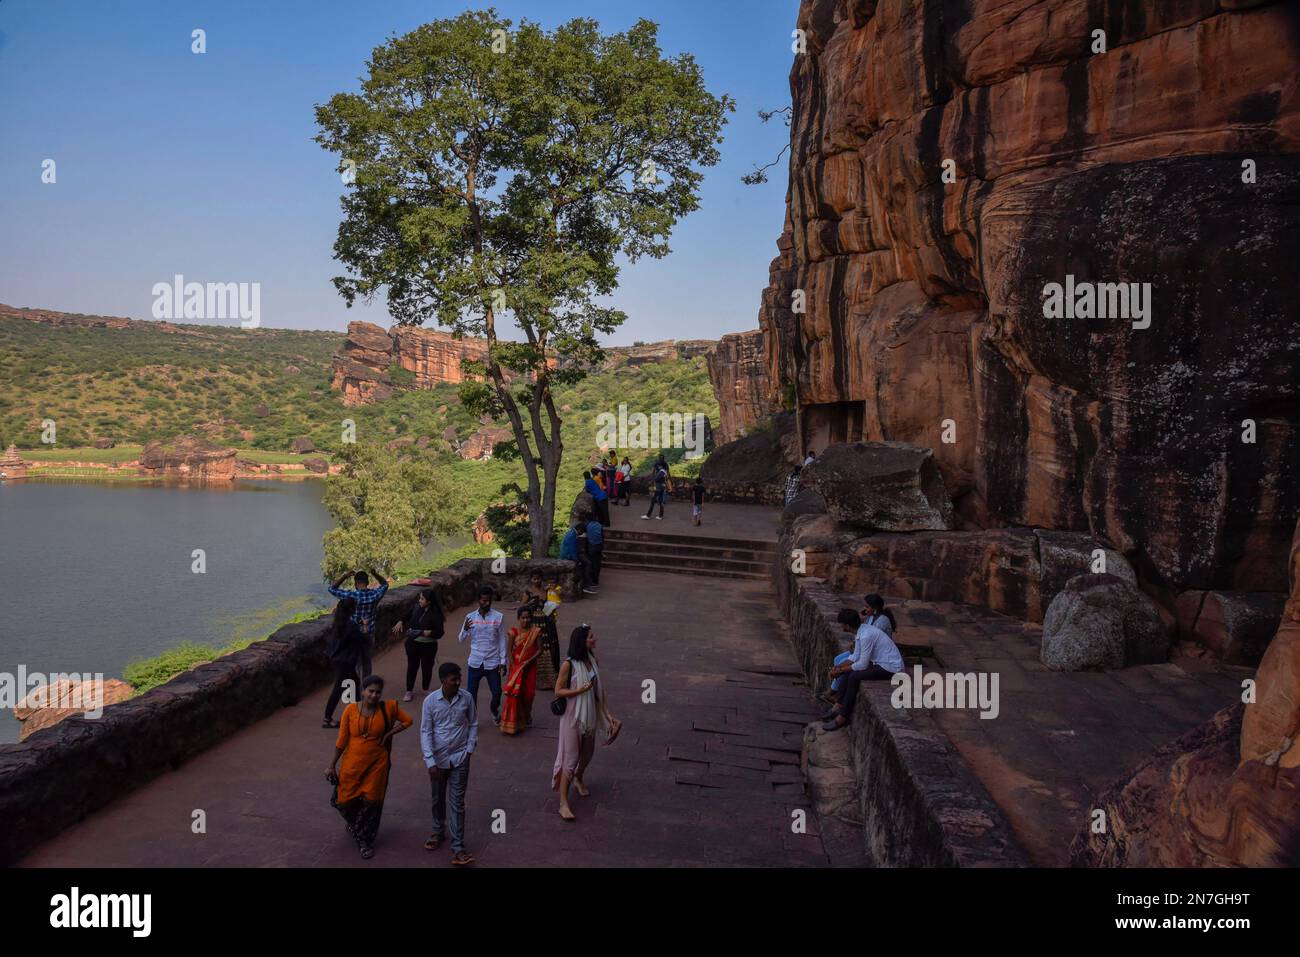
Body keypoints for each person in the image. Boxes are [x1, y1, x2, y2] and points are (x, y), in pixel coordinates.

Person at [325, 674, 412, 859]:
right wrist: (332, 765)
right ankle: (356, 824)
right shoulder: (350, 710)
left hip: (377, 764)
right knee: (343, 801)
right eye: (370, 691)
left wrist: (388, 734)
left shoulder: (388, 708)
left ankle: (365, 841)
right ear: (363, 691)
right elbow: (342, 740)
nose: (373, 695)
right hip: (352, 765)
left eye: (377, 692)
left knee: (372, 804)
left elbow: (407, 721)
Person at [552, 625, 621, 821]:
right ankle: (563, 803)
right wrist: (579, 690)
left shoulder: (592, 661)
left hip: (589, 712)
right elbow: (558, 691)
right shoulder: (569, 665)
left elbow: (599, 692)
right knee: (571, 760)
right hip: (573, 716)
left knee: (588, 753)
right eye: (591, 637)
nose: (595, 639)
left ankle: (579, 779)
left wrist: (607, 715)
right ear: (582, 642)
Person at [421, 662, 477, 866]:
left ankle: (458, 846)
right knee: (437, 798)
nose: (458, 682)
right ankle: (438, 831)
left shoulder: (467, 698)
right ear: (443, 681)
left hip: (461, 757)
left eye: (458, 678)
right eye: (454, 679)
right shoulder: (430, 702)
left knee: (457, 802)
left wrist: (469, 749)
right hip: (438, 760)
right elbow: (425, 731)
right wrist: (430, 761)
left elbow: (473, 724)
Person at [821, 610, 904, 731]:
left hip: (891, 667)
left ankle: (842, 717)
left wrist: (840, 670)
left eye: (842, 624)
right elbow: (855, 656)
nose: (841, 627)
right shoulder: (861, 630)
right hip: (879, 662)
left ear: (848, 625)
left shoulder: (866, 636)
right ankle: (838, 704)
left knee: (854, 676)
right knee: (847, 671)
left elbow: (862, 665)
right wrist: (838, 667)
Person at [327, 568, 390, 678]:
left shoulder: (351, 596)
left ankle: (356, 687)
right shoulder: (374, 595)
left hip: (354, 635)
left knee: (354, 662)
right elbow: (385, 585)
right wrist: (375, 574)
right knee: (366, 662)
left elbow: (332, 588)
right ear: (367, 582)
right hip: (368, 634)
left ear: (356, 583)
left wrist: (345, 576)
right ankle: (366, 685)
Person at [458, 586, 506, 725]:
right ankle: (472, 719)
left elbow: (502, 639)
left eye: (489, 601)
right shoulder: (470, 617)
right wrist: (465, 630)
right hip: (475, 662)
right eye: (484, 601)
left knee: (497, 692)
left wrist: (503, 661)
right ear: (479, 600)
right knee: (471, 694)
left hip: (492, 662)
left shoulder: (498, 617)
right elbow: (460, 639)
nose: (487, 603)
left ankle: (494, 710)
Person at [323, 597, 368, 728]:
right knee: (339, 688)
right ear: (351, 609)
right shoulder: (351, 625)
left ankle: (357, 713)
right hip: (346, 661)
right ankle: (328, 718)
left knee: (353, 683)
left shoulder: (338, 623)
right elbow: (363, 639)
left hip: (338, 660)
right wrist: (364, 625)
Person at [396, 588, 445, 702]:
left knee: (427, 667)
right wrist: (400, 622)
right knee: (412, 666)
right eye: (420, 598)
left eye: (422, 599)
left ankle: (425, 688)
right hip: (413, 643)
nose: (419, 601)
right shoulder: (416, 607)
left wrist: (430, 633)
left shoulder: (436, 614)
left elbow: (440, 632)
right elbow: (406, 616)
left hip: (428, 646)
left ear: (429, 601)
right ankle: (409, 690)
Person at [500, 606, 542, 735]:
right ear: (519, 619)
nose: (526, 620)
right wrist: (513, 667)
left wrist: (529, 661)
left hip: (530, 667)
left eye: (528, 617)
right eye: (523, 618)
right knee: (516, 694)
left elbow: (540, 649)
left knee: (529, 694)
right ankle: (514, 723)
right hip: (517, 668)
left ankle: (527, 714)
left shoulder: (536, 632)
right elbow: (509, 650)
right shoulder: (513, 632)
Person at [585, 516, 604, 586]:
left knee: (592, 564)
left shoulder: (588, 525)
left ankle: (592, 581)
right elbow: (602, 537)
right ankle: (596, 580)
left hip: (592, 546)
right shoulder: (599, 525)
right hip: (599, 546)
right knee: (597, 564)